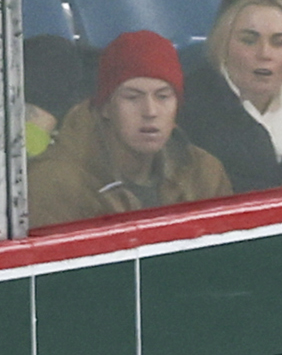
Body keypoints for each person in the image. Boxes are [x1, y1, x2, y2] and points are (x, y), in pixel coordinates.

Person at [27, 29, 230, 229]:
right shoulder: (55, 183)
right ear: (105, 106)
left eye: (163, 96)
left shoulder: (204, 172)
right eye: (132, 97)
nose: (150, 111)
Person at [179, 0, 282, 195]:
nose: (264, 53)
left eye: (279, 43)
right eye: (249, 40)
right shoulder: (190, 110)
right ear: (222, 44)